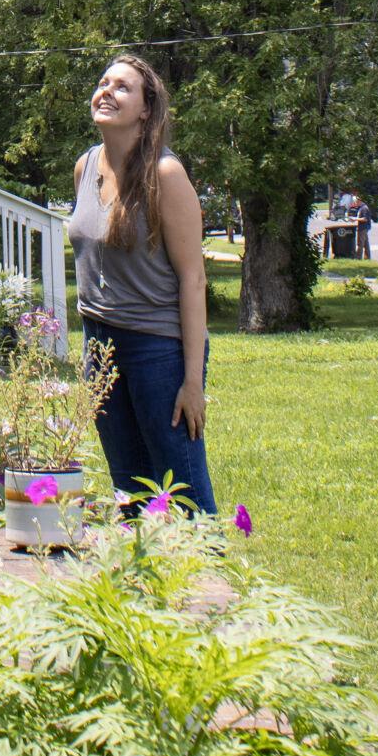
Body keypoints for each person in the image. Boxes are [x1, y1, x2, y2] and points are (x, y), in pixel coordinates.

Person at [68, 55, 218, 516]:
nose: (107, 92)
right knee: (129, 489)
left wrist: (192, 382)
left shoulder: (164, 175)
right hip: (100, 343)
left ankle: (209, 582)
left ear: (146, 109)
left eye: (123, 87)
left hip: (158, 349)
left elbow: (193, 279)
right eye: (103, 83)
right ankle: (142, 581)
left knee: (181, 489)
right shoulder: (85, 166)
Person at [352, 194, 373, 260]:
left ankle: (358, 258)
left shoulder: (364, 208)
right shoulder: (362, 208)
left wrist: (355, 219)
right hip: (363, 227)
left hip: (363, 228)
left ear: (359, 201)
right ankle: (367, 257)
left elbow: (365, 219)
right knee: (366, 244)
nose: (355, 203)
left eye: (355, 202)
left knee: (360, 243)